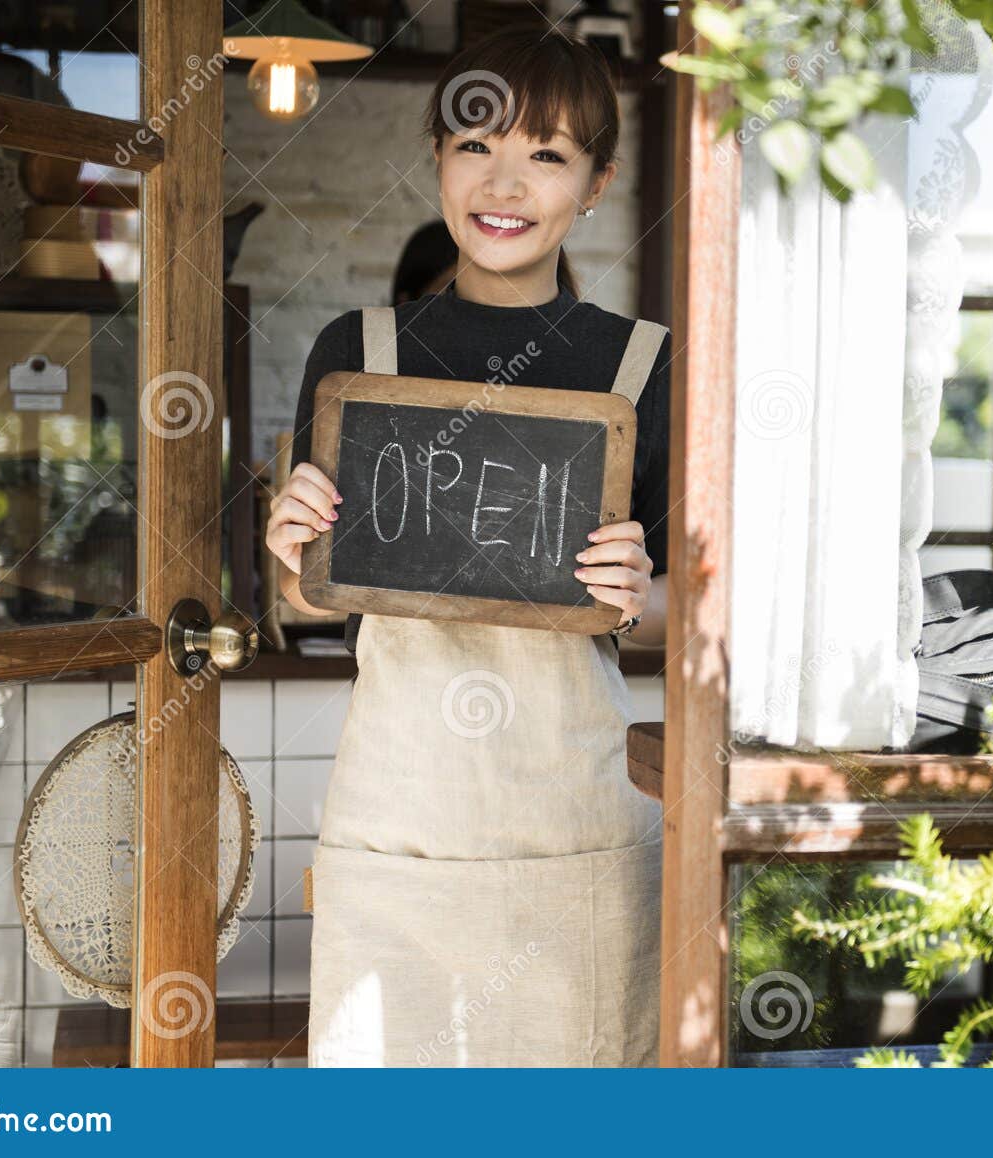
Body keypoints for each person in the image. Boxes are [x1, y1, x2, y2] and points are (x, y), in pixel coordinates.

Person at [264, 26, 671, 1067]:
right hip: (398, 815)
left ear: (594, 183)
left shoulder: (639, 366)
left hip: (574, 812)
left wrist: (637, 594)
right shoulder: (361, 353)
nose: (505, 182)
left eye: (546, 155)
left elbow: (687, 616)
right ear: (436, 158)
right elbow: (315, 602)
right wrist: (292, 547)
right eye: (475, 144)